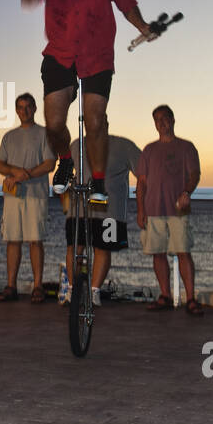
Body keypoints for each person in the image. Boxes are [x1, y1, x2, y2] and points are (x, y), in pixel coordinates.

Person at [20, 0, 158, 205]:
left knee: (95, 121)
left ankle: (98, 180)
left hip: (97, 55)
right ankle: (67, 161)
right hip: (60, 53)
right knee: (54, 124)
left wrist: (143, 26)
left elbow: (124, 1)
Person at [63, 127, 141, 309]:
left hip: (111, 209)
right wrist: (65, 198)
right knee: (74, 247)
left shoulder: (124, 145)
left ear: (104, 122)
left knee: (103, 248)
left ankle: (94, 292)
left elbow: (144, 172)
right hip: (79, 208)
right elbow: (65, 172)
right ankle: (72, 290)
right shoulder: (76, 145)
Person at [136, 105, 201, 315]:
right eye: (157, 119)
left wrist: (187, 193)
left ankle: (190, 298)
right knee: (158, 254)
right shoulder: (148, 150)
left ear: (173, 119)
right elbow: (142, 183)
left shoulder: (186, 147)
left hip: (178, 210)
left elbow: (194, 175)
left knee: (183, 252)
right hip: (153, 209)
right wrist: (140, 210)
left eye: (165, 118)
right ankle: (165, 295)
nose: (161, 122)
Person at [0, 92, 56, 302]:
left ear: (35, 108)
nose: (24, 111)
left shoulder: (44, 134)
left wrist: (24, 175)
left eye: (28, 107)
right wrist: (16, 171)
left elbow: (50, 163)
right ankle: (11, 286)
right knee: (12, 240)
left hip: (36, 196)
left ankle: (37, 286)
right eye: (20, 107)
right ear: (16, 110)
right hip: (13, 197)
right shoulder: (9, 136)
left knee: (35, 241)